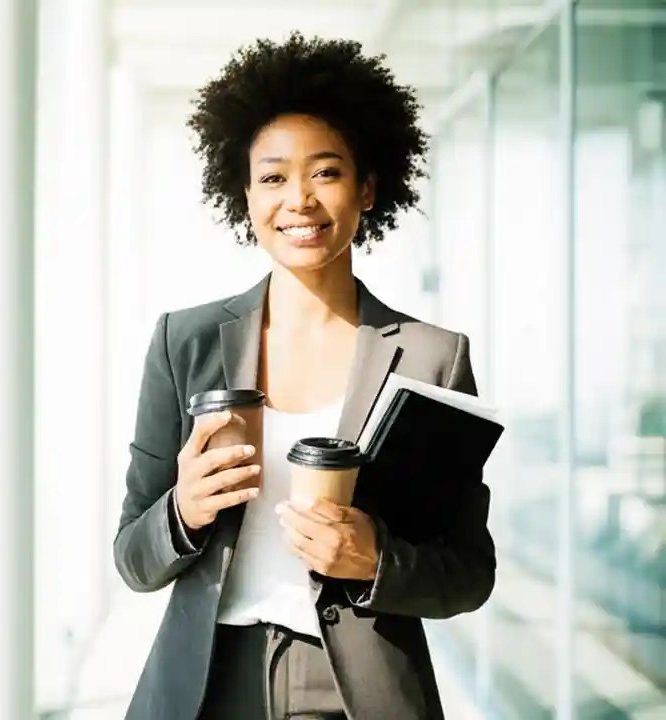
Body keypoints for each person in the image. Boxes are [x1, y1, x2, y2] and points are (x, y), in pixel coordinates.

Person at [113, 33, 495, 719]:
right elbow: (133, 559)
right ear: (246, 195)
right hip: (205, 683)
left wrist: (372, 559)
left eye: (326, 172)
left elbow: (467, 574)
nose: (300, 200)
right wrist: (183, 512)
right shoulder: (185, 342)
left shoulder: (435, 357)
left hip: (357, 691)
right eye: (273, 177)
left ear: (368, 187)